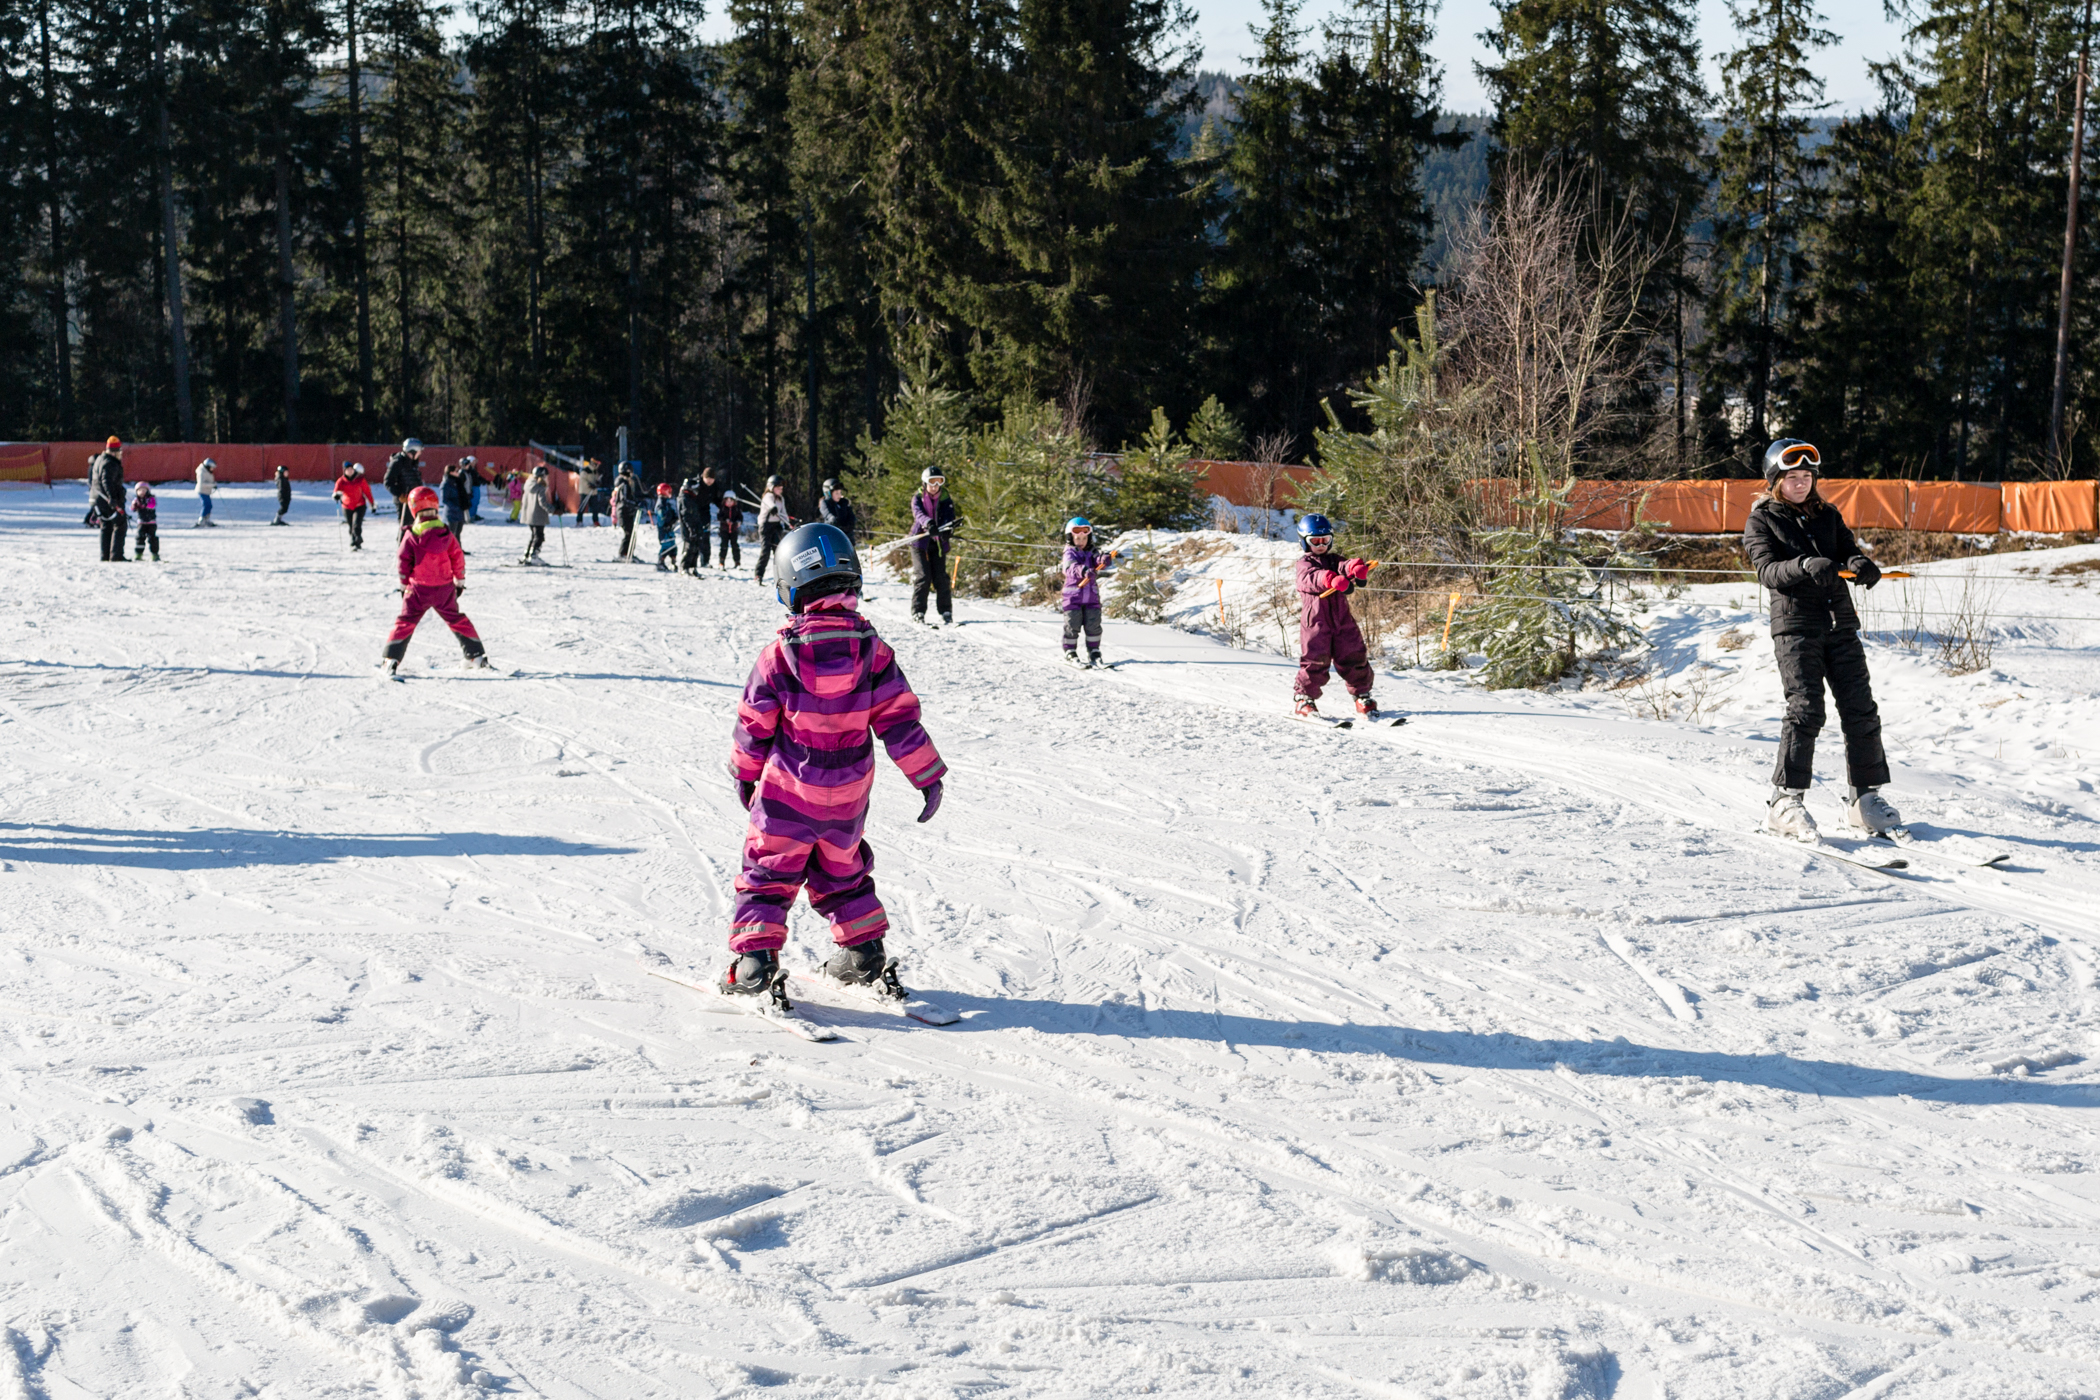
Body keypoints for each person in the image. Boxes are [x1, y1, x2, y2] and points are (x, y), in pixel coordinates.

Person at [719, 521, 947, 1003]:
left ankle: (756, 960)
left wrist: (745, 774)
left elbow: (753, 724)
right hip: (846, 797)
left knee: (769, 870)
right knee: (841, 871)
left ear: (790, 587)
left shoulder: (777, 657)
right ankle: (863, 950)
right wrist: (926, 776)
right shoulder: (873, 653)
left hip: (787, 795)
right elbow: (899, 720)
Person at [1744, 439, 1900, 840]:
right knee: (1806, 710)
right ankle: (1784, 802)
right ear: (1776, 481)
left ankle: (1864, 801)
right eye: (1792, 477)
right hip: (1796, 627)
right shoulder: (1762, 520)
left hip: (1840, 625)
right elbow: (1767, 571)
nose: (1801, 484)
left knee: (1860, 709)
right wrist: (1804, 565)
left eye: (1807, 477)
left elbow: (1848, 552)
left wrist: (1860, 564)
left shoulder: (1827, 514)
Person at [383, 485, 490, 676]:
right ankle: (476, 656)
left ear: (413, 509)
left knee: (405, 622)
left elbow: (402, 561)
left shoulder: (411, 535)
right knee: (456, 619)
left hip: (417, 589)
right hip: (444, 589)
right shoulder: (446, 534)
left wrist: (403, 584)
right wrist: (460, 581)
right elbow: (458, 557)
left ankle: (391, 659)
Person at [1291, 513, 1379, 720]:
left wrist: (1354, 568)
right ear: (1304, 542)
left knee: (1354, 654)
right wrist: (1329, 579)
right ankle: (1304, 698)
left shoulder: (1334, 560)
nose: (1321, 545)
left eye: (1325, 541)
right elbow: (1309, 578)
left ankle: (1362, 695)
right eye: (1315, 541)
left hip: (1342, 619)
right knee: (1316, 660)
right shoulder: (1304, 564)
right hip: (1316, 622)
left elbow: (1343, 566)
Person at [1058, 517, 1117, 668]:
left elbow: (1097, 559)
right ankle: (1070, 652)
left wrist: (1103, 559)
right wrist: (1084, 571)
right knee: (1072, 625)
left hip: (1091, 596)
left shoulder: (1091, 551)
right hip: (1073, 597)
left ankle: (1094, 652)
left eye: (1084, 538)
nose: (1081, 541)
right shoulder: (1069, 552)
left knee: (1094, 625)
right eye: (1077, 538)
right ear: (1070, 537)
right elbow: (1069, 567)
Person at [908, 466, 959, 626]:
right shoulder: (918, 497)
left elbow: (949, 516)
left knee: (941, 578)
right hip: (920, 541)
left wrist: (946, 529)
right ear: (925, 483)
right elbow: (919, 514)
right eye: (932, 482)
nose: (935, 486)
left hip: (938, 543)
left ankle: (945, 611)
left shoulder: (945, 498)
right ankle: (918, 611)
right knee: (923, 576)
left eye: (939, 482)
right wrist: (929, 523)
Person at [89, 437, 127, 562]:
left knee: (106, 526)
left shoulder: (99, 459)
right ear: (114, 451)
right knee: (120, 523)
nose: (121, 455)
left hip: (96, 498)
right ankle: (116, 556)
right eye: (119, 452)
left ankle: (105, 556)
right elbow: (107, 481)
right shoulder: (111, 463)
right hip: (106, 500)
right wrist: (112, 498)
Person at [753, 474, 791, 586]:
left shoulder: (781, 499)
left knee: (778, 552)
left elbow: (783, 513)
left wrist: (788, 523)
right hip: (766, 526)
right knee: (765, 551)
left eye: (781, 487)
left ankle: (780, 577)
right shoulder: (768, 496)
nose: (781, 488)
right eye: (778, 486)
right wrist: (772, 508)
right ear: (771, 487)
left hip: (776, 526)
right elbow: (769, 503)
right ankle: (758, 575)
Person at [384, 438, 423, 531]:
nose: (420, 454)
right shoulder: (398, 462)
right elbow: (388, 481)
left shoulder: (412, 463)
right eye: (419, 452)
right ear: (412, 451)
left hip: (413, 499)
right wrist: (400, 494)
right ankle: (403, 544)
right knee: (406, 527)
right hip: (404, 500)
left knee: (415, 526)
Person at [332, 461, 373, 550]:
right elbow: (336, 491)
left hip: (359, 505)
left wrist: (372, 504)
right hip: (347, 506)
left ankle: (356, 541)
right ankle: (354, 539)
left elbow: (367, 492)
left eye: (351, 469)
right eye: (348, 470)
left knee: (356, 524)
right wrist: (336, 495)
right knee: (351, 525)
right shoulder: (341, 481)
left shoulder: (360, 480)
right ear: (344, 471)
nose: (350, 471)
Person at [677, 474, 711, 573]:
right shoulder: (684, 498)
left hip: (696, 526)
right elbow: (686, 515)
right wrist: (691, 528)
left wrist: (700, 525)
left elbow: (695, 514)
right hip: (688, 529)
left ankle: (692, 567)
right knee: (689, 548)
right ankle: (684, 567)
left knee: (696, 547)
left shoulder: (692, 498)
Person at [519, 465, 552, 564]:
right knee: (539, 536)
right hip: (537, 515)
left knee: (534, 536)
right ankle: (533, 556)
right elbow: (543, 503)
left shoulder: (529, 483)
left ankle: (527, 554)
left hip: (528, 515)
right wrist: (553, 509)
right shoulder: (539, 487)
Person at [439, 459, 472, 552]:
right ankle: (446, 551)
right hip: (452, 513)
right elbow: (445, 500)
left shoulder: (457, 482)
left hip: (459, 512)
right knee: (450, 533)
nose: (458, 472)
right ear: (451, 472)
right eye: (456, 471)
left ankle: (457, 550)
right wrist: (455, 507)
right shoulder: (446, 484)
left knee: (458, 532)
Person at [612, 463, 641, 560]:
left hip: (626, 510)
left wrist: (636, 502)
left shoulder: (625, 483)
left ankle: (629, 553)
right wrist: (634, 504)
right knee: (628, 533)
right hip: (623, 511)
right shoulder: (623, 484)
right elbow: (624, 499)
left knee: (632, 533)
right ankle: (623, 554)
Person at [819, 477, 857, 542]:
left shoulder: (844, 503)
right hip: (833, 536)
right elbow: (828, 515)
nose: (839, 495)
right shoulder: (824, 503)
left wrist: (850, 523)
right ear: (828, 493)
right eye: (836, 493)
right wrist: (834, 520)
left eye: (840, 493)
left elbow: (851, 516)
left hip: (847, 537)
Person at [652, 482, 679, 571]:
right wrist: (666, 523)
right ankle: (660, 562)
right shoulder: (661, 504)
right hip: (664, 530)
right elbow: (661, 516)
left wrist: (674, 517)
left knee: (673, 546)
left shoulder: (665, 502)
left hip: (669, 529)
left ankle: (673, 562)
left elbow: (670, 512)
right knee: (666, 546)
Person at [131, 481, 159, 561]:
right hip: (141, 523)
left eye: (144, 490)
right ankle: (138, 553)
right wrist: (135, 505)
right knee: (140, 538)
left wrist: (144, 505)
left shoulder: (151, 498)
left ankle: (154, 554)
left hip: (151, 522)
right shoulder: (136, 500)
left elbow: (152, 505)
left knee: (152, 538)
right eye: (140, 490)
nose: (142, 492)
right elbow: (132, 509)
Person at [717, 489, 743, 569]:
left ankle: (737, 562)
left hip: (734, 530)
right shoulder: (722, 509)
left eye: (731, 501)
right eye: (727, 501)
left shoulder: (736, 509)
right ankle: (721, 562)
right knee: (724, 546)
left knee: (735, 546)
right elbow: (719, 517)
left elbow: (740, 517)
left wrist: (738, 522)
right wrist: (725, 520)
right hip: (724, 530)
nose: (729, 503)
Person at [194, 456, 218, 527]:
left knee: (209, 505)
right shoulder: (202, 472)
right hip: (202, 491)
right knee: (206, 505)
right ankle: (201, 520)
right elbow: (202, 484)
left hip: (206, 491)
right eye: (211, 467)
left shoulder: (206, 471)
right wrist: (212, 485)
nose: (212, 469)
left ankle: (207, 520)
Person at [464, 456, 484, 522]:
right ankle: (471, 515)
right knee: (473, 502)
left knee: (476, 501)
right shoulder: (469, 470)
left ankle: (474, 514)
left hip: (476, 487)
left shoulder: (473, 469)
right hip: (473, 487)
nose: (475, 463)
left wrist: (484, 481)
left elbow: (478, 477)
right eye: (473, 461)